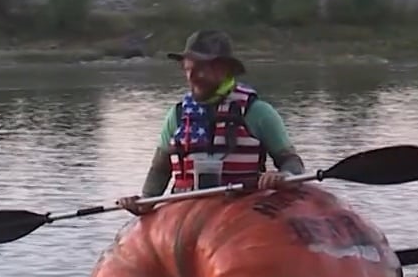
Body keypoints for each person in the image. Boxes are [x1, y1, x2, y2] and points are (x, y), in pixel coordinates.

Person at [117, 30, 307, 215]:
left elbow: (291, 161)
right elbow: (160, 169)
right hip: (184, 216)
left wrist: (284, 176)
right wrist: (144, 201)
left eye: (200, 69)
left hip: (240, 215)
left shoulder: (257, 112)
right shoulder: (177, 114)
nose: (192, 77)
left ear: (223, 69)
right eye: (188, 69)